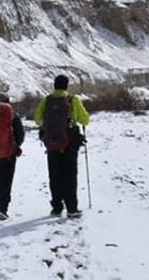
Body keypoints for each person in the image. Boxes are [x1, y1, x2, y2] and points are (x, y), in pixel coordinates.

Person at [34, 75, 90, 218]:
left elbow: (37, 120)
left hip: (52, 143)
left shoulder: (46, 100)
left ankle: (57, 208)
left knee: (55, 175)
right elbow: (85, 120)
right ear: (66, 86)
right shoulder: (73, 99)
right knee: (70, 175)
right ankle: (72, 208)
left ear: (54, 85)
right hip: (70, 142)